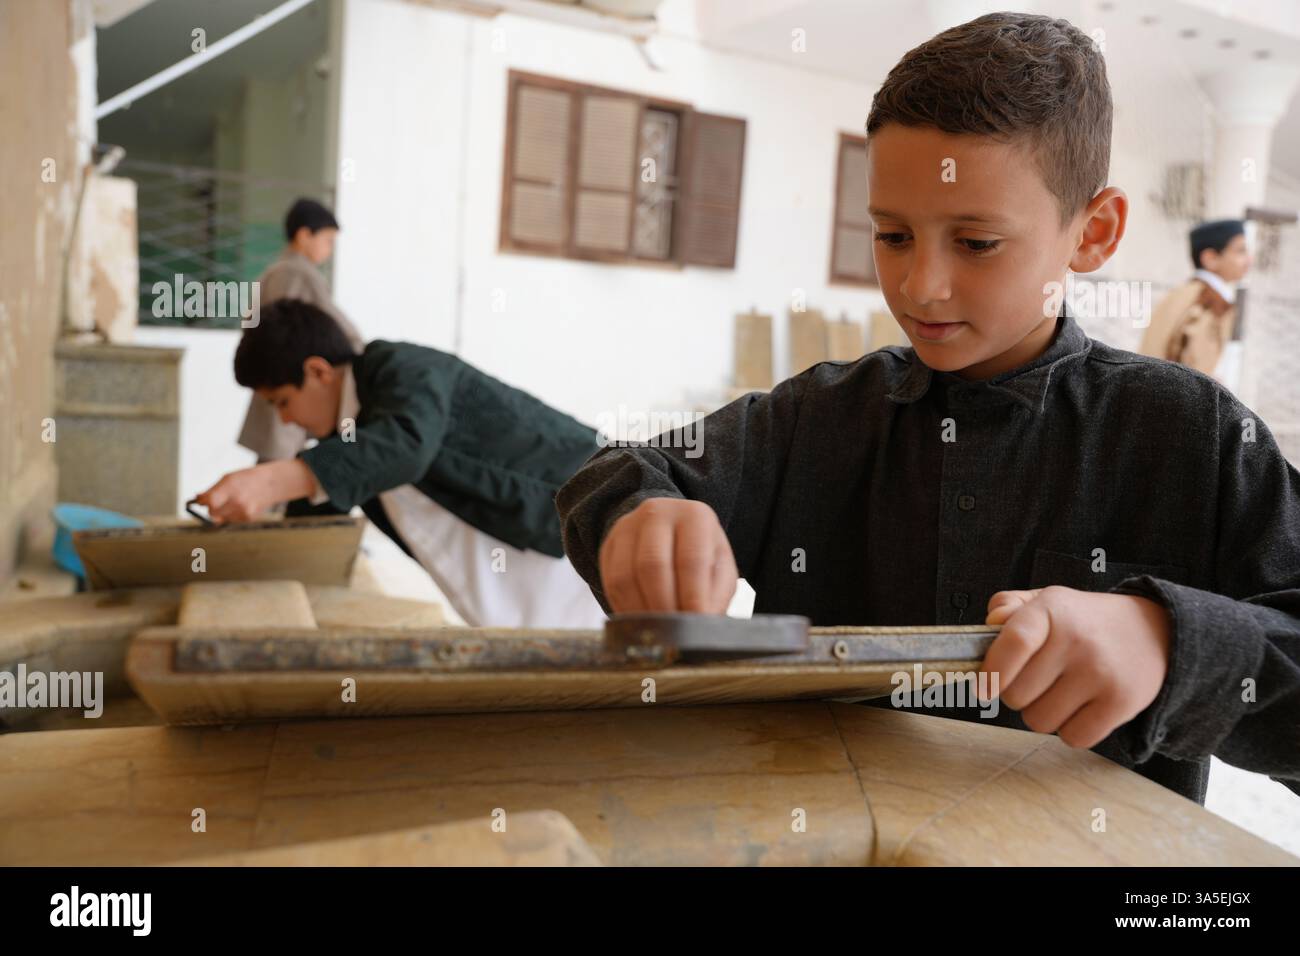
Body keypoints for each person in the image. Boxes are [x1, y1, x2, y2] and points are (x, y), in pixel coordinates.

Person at [555, 12, 1300, 804]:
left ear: (1094, 231)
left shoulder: (1190, 435)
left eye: (976, 242)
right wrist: (638, 515)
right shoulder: (820, 418)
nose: (921, 286)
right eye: (893, 235)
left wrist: (1171, 641)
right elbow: (621, 472)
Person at [198, 299, 606, 629]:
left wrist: (268, 482)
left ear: (318, 371)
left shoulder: (400, 368)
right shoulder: (344, 441)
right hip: (510, 585)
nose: (286, 420)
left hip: (576, 525)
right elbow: (312, 518)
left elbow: (405, 444)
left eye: (282, 402)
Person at [239, 198, 364, 465]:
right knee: (278, 473)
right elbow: (289, 335)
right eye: (328, 241)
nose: (329, 250)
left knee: (277, 468)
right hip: (287, 385)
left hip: (283, 387)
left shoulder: (277, 271)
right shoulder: (295, 273)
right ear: (304, 235)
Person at [1139, 218, 1250, 377]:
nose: (1249, 260)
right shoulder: (1210, 302)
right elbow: (1198, 367)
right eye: (1240, 251)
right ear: (1210, 258)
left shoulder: (1183, 293)